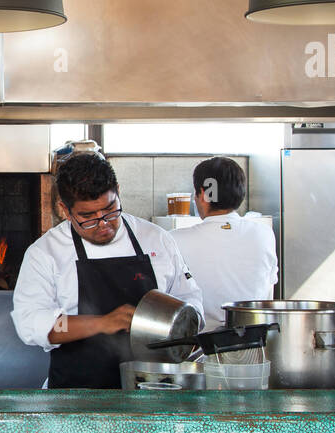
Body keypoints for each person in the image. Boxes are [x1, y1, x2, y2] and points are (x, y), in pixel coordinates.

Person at [11, 152, 204, 389]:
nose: (103, 224)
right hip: (77, 394)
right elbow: (32, 323)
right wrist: (99, 323)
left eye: (110, 210)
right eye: (88, 217)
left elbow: (188, 297)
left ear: (118, 192)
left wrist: (186, 329)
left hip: (152, 389)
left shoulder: (156, 239)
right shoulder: (46, 253)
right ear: (64, 209)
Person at [170, 156, 278, 331]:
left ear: (204, 195)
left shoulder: (174, 240)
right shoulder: (264, 234)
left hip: (198, 348)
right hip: (254, 345)